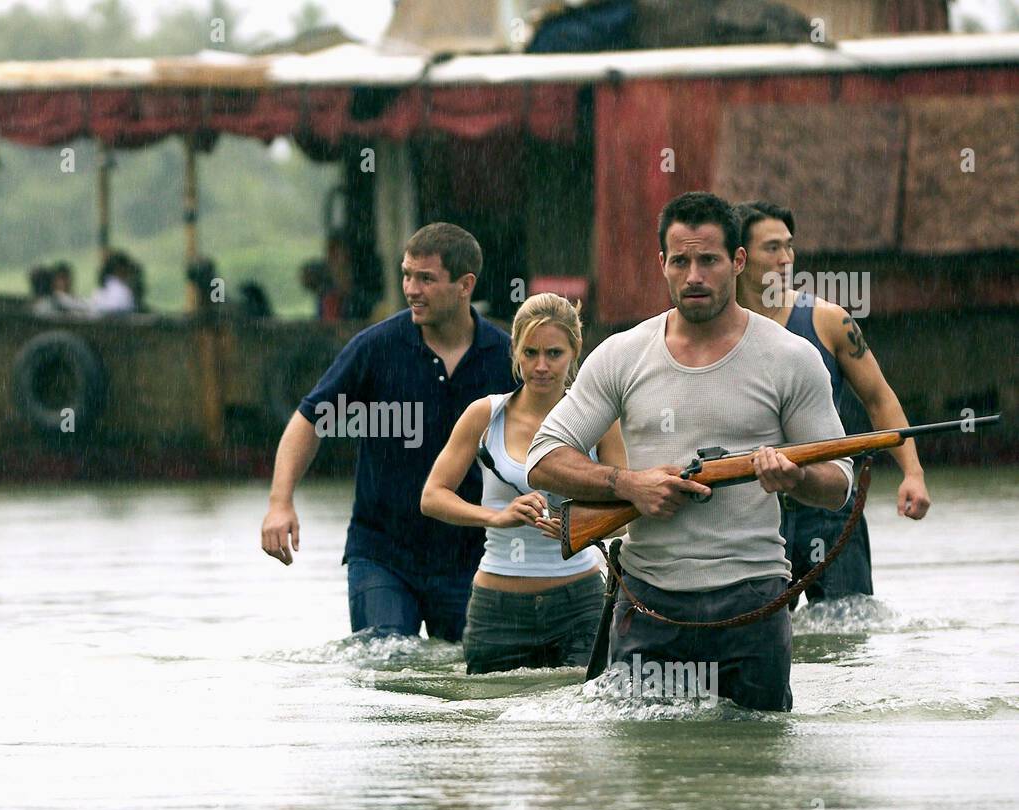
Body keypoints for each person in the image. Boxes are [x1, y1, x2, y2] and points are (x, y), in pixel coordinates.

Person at [526, 192, 854, 712]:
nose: (694, 275)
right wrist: (627, 484)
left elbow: (839, 483)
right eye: (680, 261)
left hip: (754, 600)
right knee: (647, 775)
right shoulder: (623, 354)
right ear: (662, 264)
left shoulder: (793, 358)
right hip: (649, 600)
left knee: (759, 765)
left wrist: (794, 479)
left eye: (709, 261)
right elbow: (543, 457)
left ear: (738, 263)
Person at [261, 223, 519, 641]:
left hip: (471, 554)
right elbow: (308, 422)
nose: (411, 289)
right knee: (385, 663)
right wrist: (279, 502)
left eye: (426, 279)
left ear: (465, 284)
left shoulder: (506, 359)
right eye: (407, 275)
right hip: (382, 552)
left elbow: (551, 440)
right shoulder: (376, 347)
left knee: (468, 680)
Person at [734, 200, 931, 604]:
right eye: (772, 248)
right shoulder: (716, 331)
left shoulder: (829, 320)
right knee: (762, 635)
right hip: (753, 511)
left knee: (848, 634)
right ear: (739, 256)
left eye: (789, 246)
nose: (786, 258)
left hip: (829, 502)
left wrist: (913, 472)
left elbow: (880, 399)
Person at [421, 293, 627, 673]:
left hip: (580, 603)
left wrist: (577, 522)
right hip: (497, 608)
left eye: (554, 353)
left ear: (575, 351)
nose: (542, 366)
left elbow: (628, 511)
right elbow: (432, 497)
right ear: (514, 350)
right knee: (492, 720)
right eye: (530, 353)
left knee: (577, 723)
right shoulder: (485, 414)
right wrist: (496, 517)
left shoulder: (601, 421)